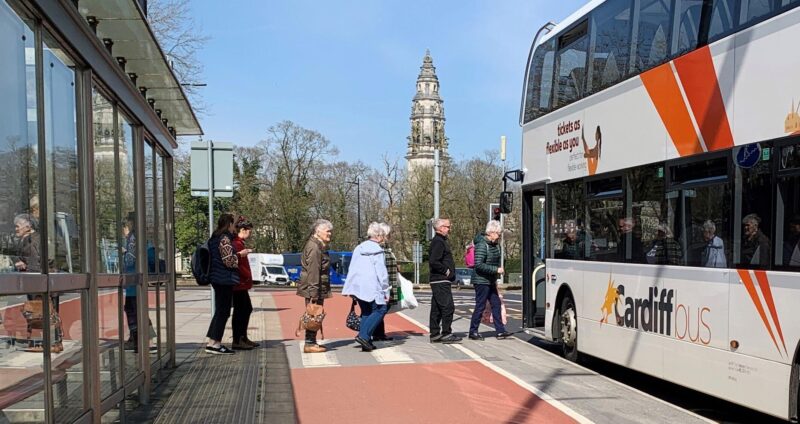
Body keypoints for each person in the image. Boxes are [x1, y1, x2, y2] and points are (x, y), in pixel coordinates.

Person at [342, 223, 390, 352]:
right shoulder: (378, 250)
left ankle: (366, 342)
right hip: (373, 285)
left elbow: (352, 267)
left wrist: (350, 286)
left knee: (366, 311)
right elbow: (381, 272)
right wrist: (386, 290)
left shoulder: (359, 248)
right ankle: (363, 336)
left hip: (358, 285)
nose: (384, 238)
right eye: (383, 235)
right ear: (378, 236)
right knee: (380, 309)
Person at [468, 220, 513, 341]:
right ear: (491, 232)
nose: (499, 236)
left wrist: (496, 274)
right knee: (480, 305)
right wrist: (496, 270)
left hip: (490, 280)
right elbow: (478, 264)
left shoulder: (495, 245)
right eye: (498, 233)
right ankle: (473, 331)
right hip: (481, 281)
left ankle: (500, 331)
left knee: (496, 303)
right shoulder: (482, 245)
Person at [205, 214, 240, 355]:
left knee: (220, 311)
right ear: (229, 224)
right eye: (234, 225)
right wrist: (240, 255)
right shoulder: (224, 239)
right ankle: (216, 343)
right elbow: (228, 260)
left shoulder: (214, 238)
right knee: (223, 312)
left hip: (217, 277)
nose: (234, 228)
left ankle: (212, 342)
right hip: (224, 278)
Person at [297, 219, 332, 353]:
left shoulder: (317, 245)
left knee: (314, 314)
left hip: (315, 287)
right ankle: (309, 343)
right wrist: (314, 293)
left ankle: (311, 342)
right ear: (318, 231)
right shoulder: (315, 247)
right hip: (314, 288)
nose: (330, 234)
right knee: (313, 314)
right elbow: (313, 271)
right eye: (327, 231)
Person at [428, 218, 461, 344]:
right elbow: (434, 261)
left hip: (439, 280)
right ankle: (446, 333)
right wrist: (446, 271)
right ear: (440, 228)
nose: (449, 229)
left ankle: (435, 334)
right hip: (440, 280)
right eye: (447, 227)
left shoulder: (439, 241)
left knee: (436, 308)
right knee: (448, 306)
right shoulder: (439, 242)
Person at [231, 216, 259, 350]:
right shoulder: (237, 244)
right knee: (242, 310)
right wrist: (247, 276)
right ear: (243, 230)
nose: (250, 233)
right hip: (239, 284)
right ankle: (238, 339)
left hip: (241, 283)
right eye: (249, 230)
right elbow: (237, 264)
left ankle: (242, 337)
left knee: (245, 309)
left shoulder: (239, 243)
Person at [372, 222, 398, 342]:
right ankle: (371, 332)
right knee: (381, 309)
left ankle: (379, 333)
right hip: (386, 285)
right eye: (389, 234)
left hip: (390, 283)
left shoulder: (387, 248)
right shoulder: (380, 248)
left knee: (382, 309)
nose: (390, 236)